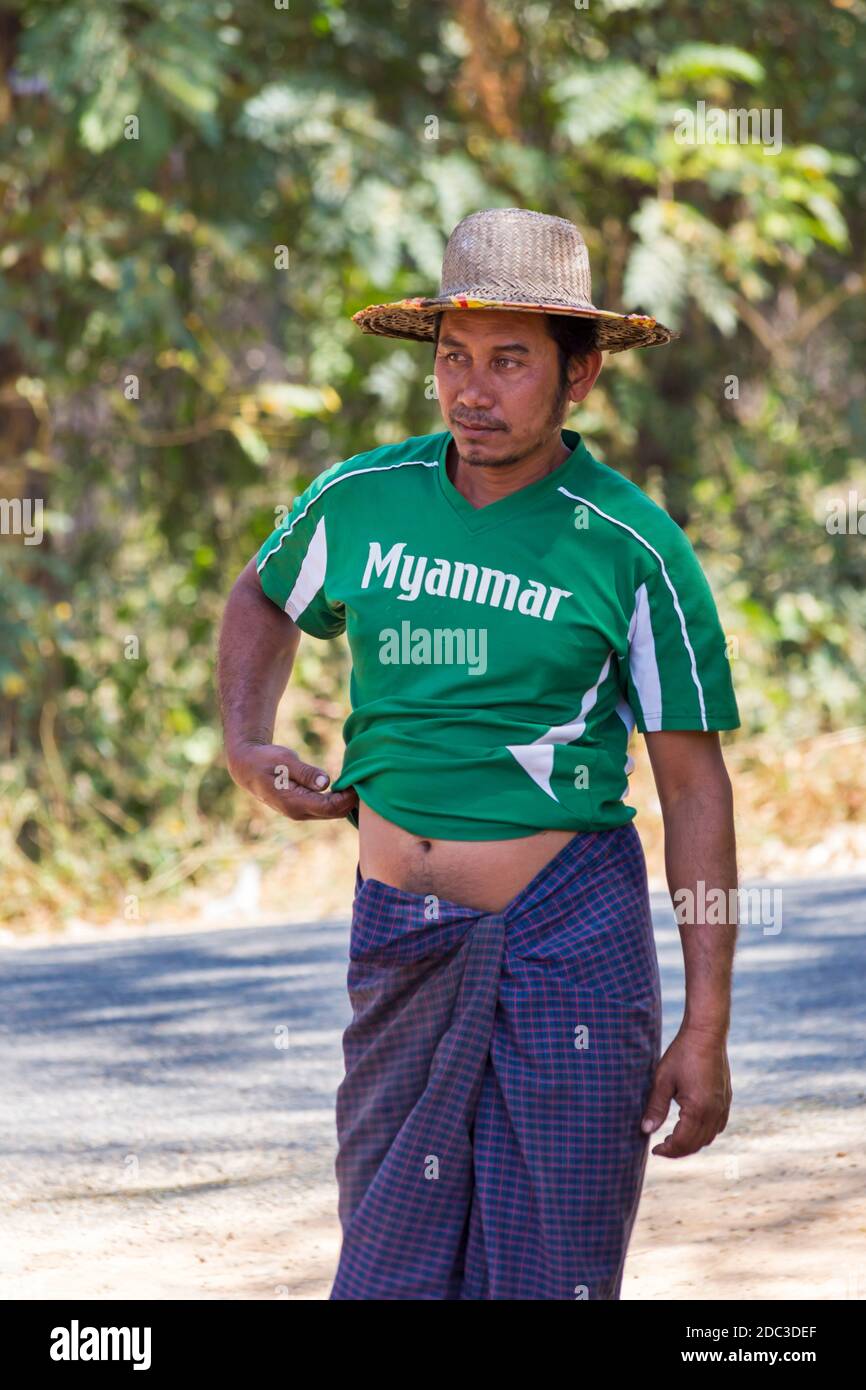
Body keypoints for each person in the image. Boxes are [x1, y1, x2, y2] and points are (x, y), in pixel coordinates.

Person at [217, 207, 740, 1300]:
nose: (472, 389)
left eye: (509, 361)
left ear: (579, 374)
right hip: (398, 939)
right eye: (455, 359)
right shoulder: (361, 500)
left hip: (568, 941)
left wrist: (705, 1024)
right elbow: (263, 597)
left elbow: (693, 791)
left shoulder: (631, 546)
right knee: (390, 1267)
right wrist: (245, 740)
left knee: (550, 1273)